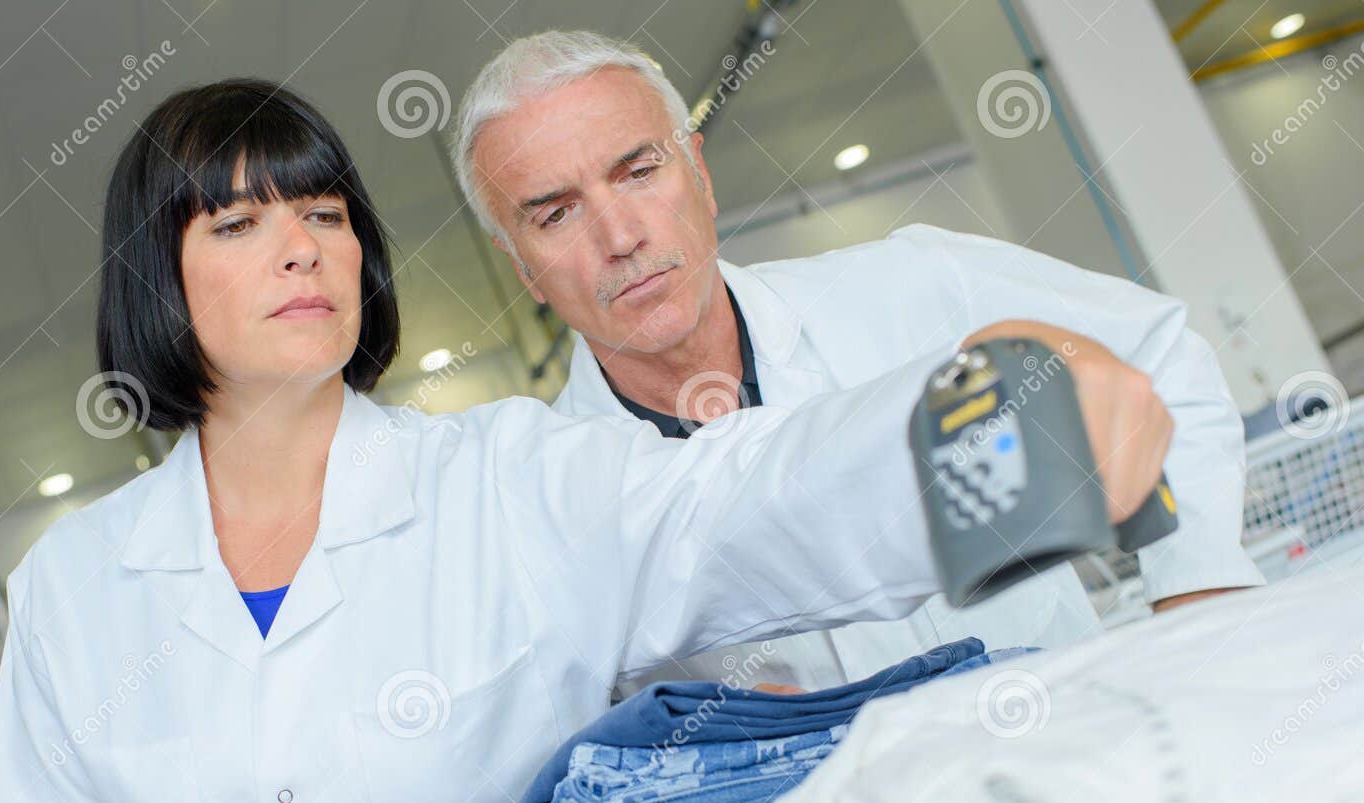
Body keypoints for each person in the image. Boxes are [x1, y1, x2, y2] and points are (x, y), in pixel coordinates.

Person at [0, 78, 1174, 803]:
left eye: (326, 214)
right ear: (156, 279)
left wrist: (975, 437)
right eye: (237, 225)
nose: (300, 247)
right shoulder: (78, 586)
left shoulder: (505, 477)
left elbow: (727, 508)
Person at [452, 30, 1263, 693]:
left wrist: (1198, 600)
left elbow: (1151, 348)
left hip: (1081, 752)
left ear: (697, 172)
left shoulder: (911, 287)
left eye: (639, 171)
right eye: (556, 214)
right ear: (521, 264)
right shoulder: (552, 501)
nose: (620, 237)